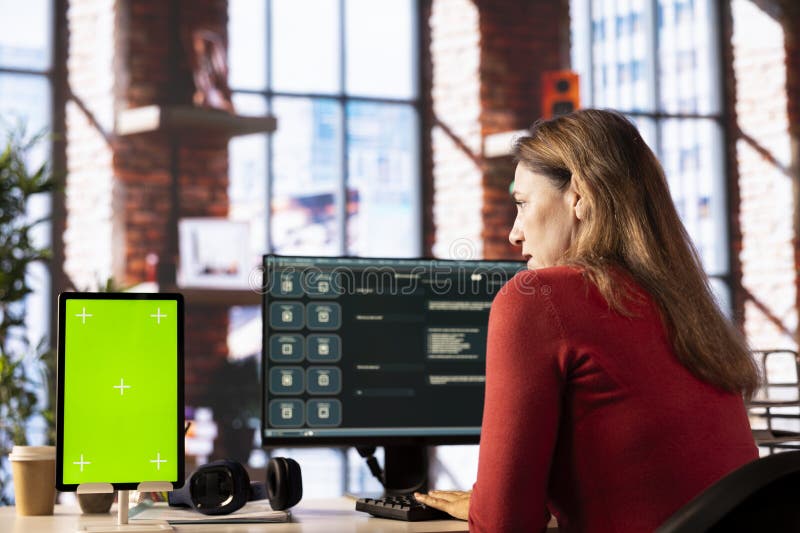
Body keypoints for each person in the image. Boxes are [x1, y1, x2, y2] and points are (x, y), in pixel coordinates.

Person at [413, 109, 760, 532]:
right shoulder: (686, 303)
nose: (514, 233)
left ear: (578, 194)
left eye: (522, 204)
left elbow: (504, 526)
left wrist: (492, 504)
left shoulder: (537, 298)